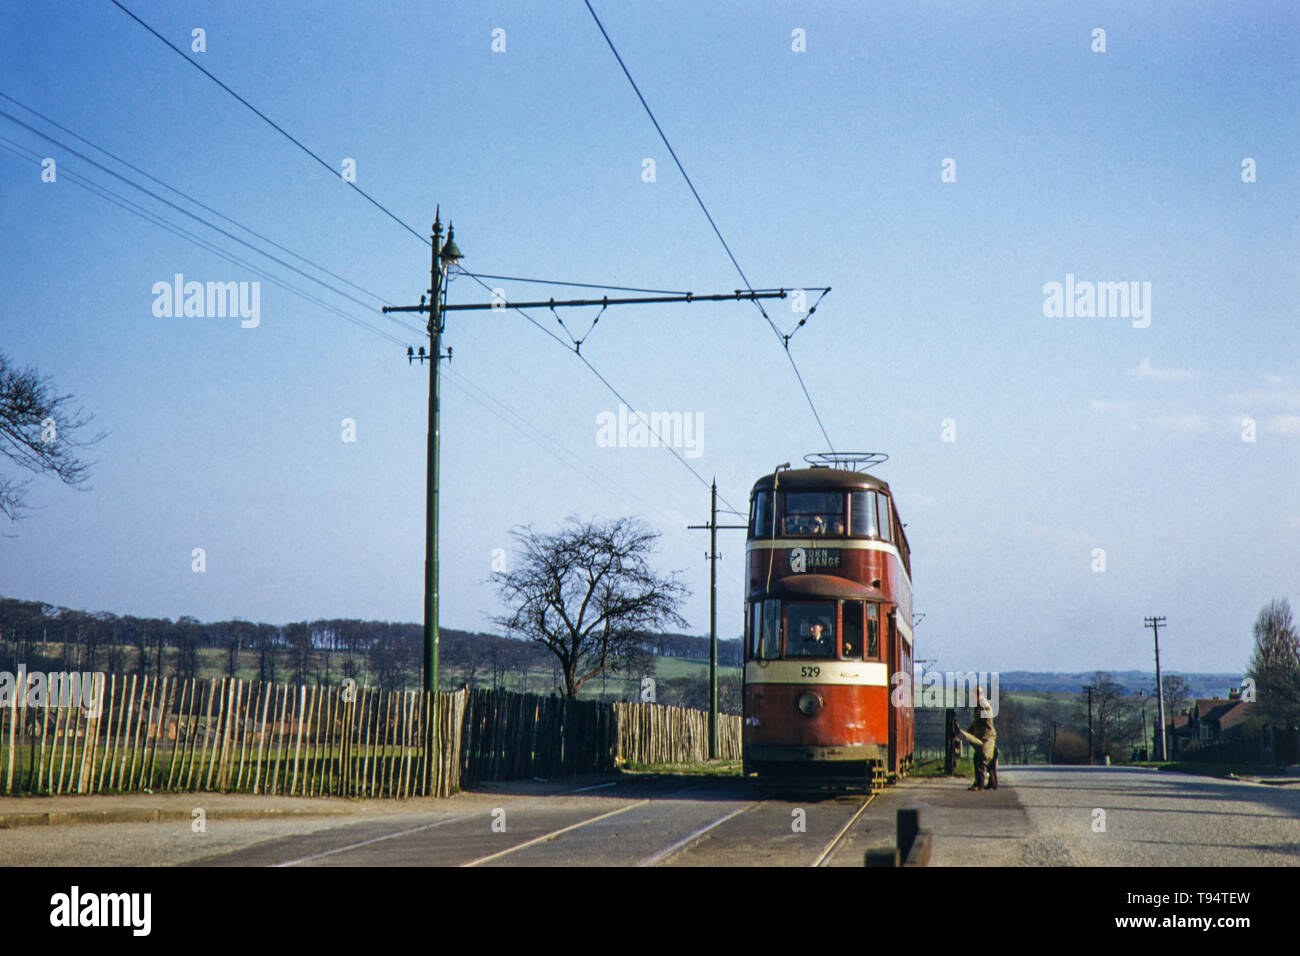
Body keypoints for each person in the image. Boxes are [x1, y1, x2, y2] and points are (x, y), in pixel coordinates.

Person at [956, 687, 997, 790]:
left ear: (976, 695)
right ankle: (992, 783)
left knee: (979, 759)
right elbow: (977, 723)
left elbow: (985, 723)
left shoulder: (983, 706)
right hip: (988, 736)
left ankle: (979, 784)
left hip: (986, 737)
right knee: (991, 760)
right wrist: (967, 732)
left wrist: (972, 733)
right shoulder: (981, 705)